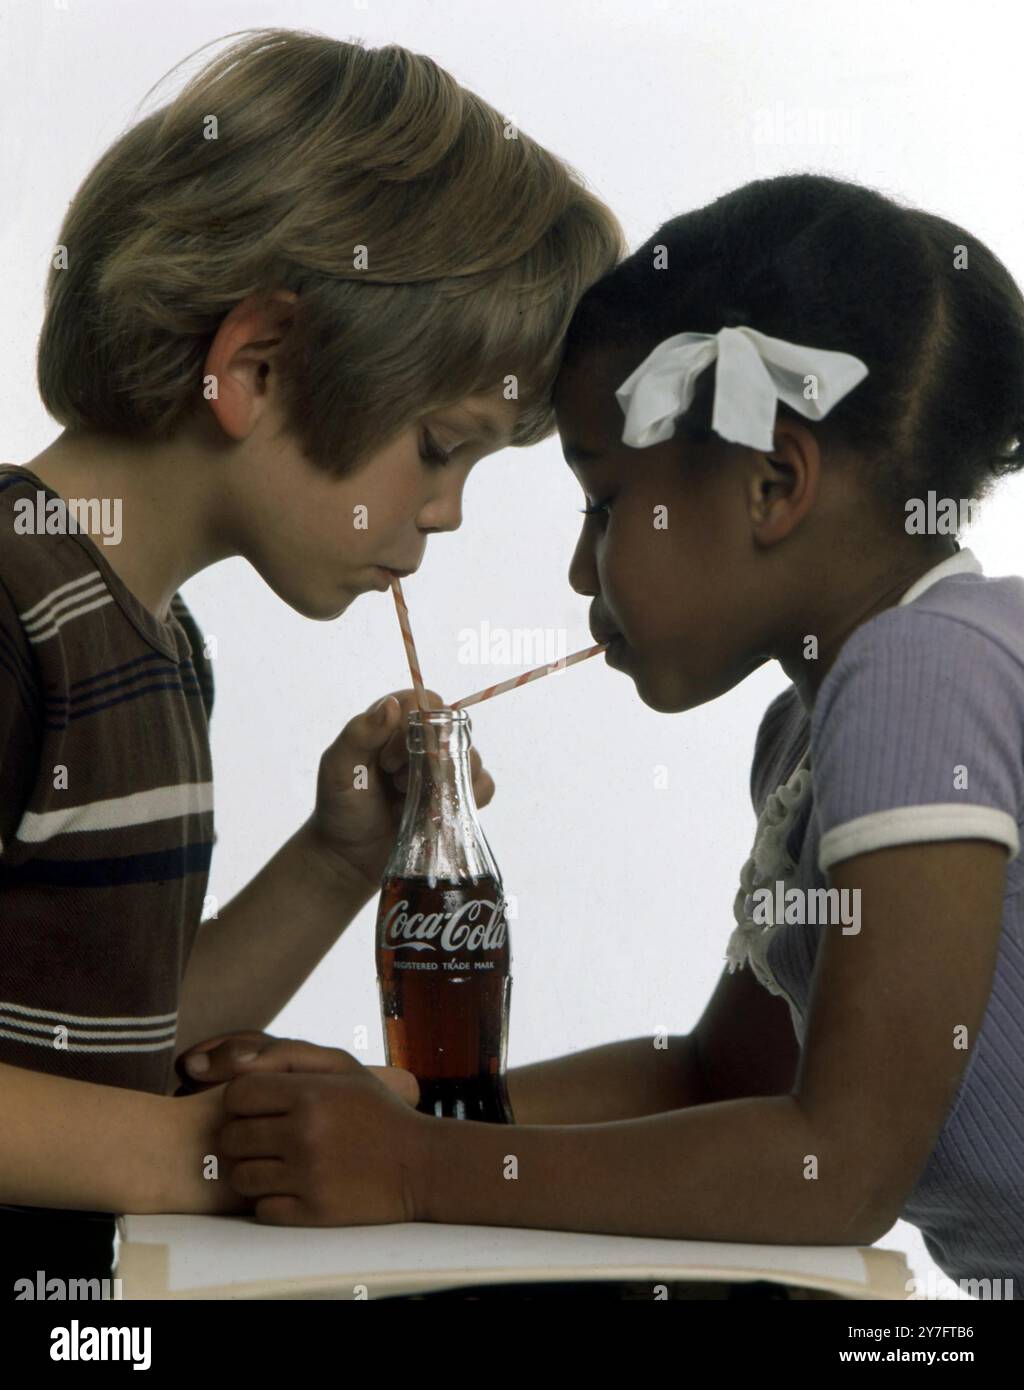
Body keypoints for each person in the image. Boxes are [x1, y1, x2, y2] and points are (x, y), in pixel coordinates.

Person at [182, 174, 1024, 1300]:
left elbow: (834, 1169)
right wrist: (405, 1105)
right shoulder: (809, 732)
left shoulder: (926, 669)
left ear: (773, 481)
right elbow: (717, 1078)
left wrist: (418, 1166)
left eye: (606, 502)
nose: (582, 571)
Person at [0, 26, 625, 1297]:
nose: (446, 513)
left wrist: (338, 859)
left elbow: (115, 1037)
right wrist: (203, 1155)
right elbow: (133, 1125)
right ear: (256, 365)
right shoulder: (13, 614)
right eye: (440, 447)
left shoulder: (157, 644)